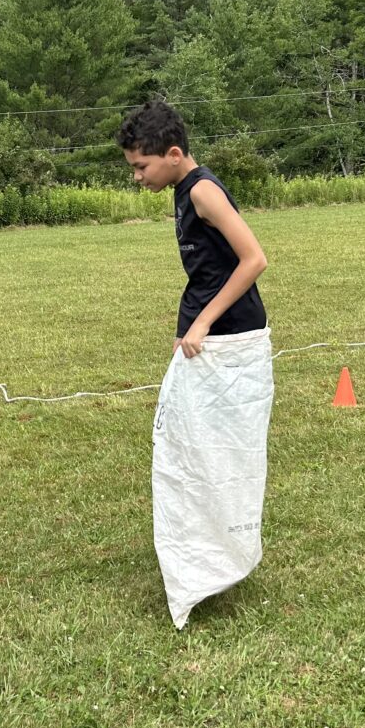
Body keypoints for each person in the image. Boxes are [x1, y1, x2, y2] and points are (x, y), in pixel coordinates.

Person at [116, 100, 275, 628]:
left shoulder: (203, 190)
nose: (137, 176)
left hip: (230, 338)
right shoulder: (181, 192)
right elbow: (209, 269)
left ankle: (216, 558)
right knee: (186, 448)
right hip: (203, 337)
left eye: (141, 166)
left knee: (213, 452)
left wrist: (203, 322)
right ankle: (197, 558)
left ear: (173, 154)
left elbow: (254, 259)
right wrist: (189, 323)